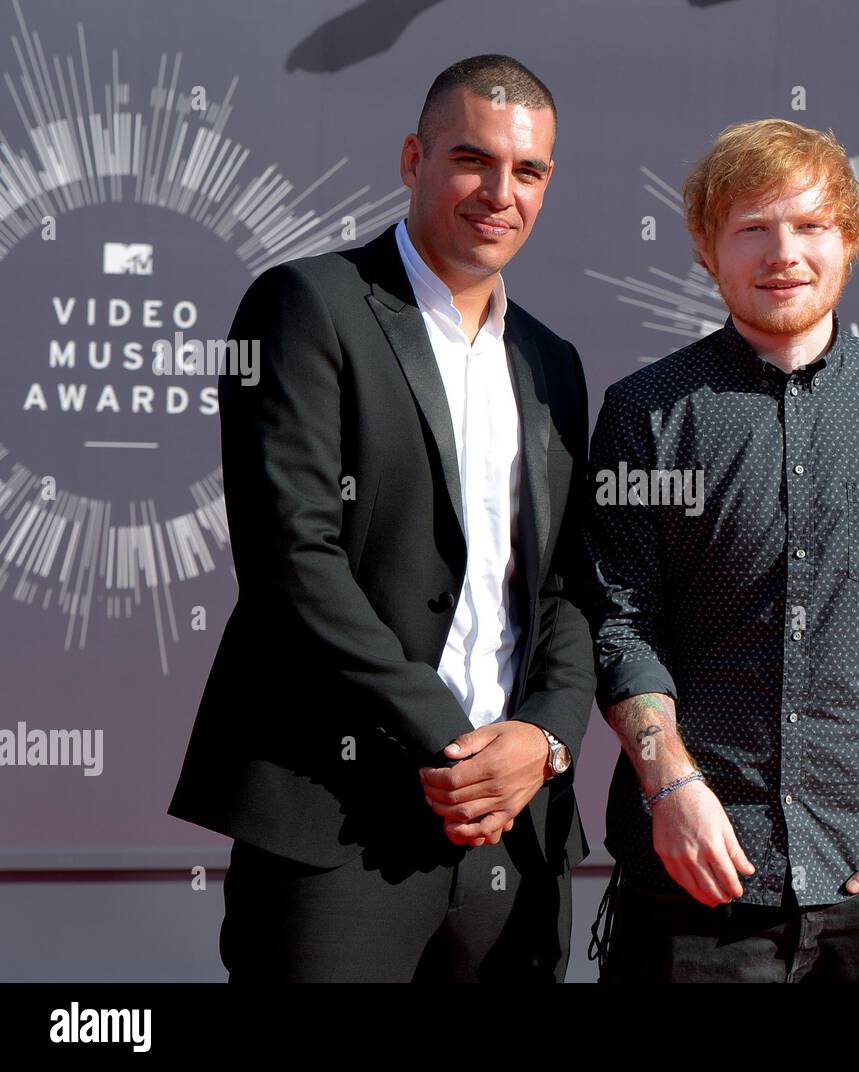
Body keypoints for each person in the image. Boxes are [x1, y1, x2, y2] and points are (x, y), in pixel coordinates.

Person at [167, 54, 595, 982]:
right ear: (413, 159)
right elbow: (294, 562)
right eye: (472, 160)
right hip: (338, 819)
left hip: (513, 831)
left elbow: (566, 583)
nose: (500, 192)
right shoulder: (304, 307)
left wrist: (544, 738)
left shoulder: (552, 362)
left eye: (528, 172)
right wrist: (456, 741)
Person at [584, 117, 859, 983]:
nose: (785, 254)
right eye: (753, 229)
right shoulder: (648, 413)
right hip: (695, 877)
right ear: (706, 248)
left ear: (850, 239)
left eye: (811, 226)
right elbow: (622, 626)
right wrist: (672, 791)